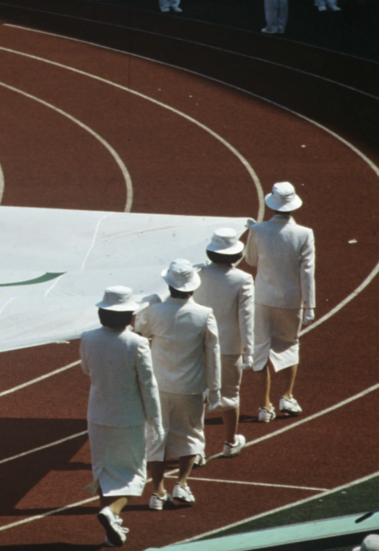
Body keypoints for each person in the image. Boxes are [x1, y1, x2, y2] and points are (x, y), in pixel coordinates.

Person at [79, 286, 162, 549]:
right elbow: (148, 384)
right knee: (133, 474)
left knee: (105, 471)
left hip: (98, 414)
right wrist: (156, 420)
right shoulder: (137, 343)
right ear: (129, 316)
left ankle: (110, 528)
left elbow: (86, 369)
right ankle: (112, 513)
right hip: (129, 416)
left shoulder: (88, 337)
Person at [136, 259, 220, 509]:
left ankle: (158, 491)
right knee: (191, 435)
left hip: (158, 387)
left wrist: (149, 306)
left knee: (155, 438)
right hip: (190, 386)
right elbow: (213, 352)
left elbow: (139, 332)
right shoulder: (204, 314)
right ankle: (182, 484)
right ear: (193, 287)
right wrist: (214, 387)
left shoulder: (155, 312)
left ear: (168, 285)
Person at [245, 181, 315, 423]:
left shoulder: (258, 230)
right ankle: (286, 395)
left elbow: (251, 261)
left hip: (263, 298)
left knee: (260, 349)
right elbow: (307, 272)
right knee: (289, 344)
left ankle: (264, 406)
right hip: (290, 300)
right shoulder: (305, 233)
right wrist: (310, 305)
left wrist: (253, 234)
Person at [194, 227, 255, 458]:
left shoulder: (197, 273)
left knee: (197, 395)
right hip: (229, 345)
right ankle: (229, 442)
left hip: (198, 343)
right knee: (230, 394)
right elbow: (246, 317)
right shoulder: (243, 279)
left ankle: (196, 450)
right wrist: (249, 351)